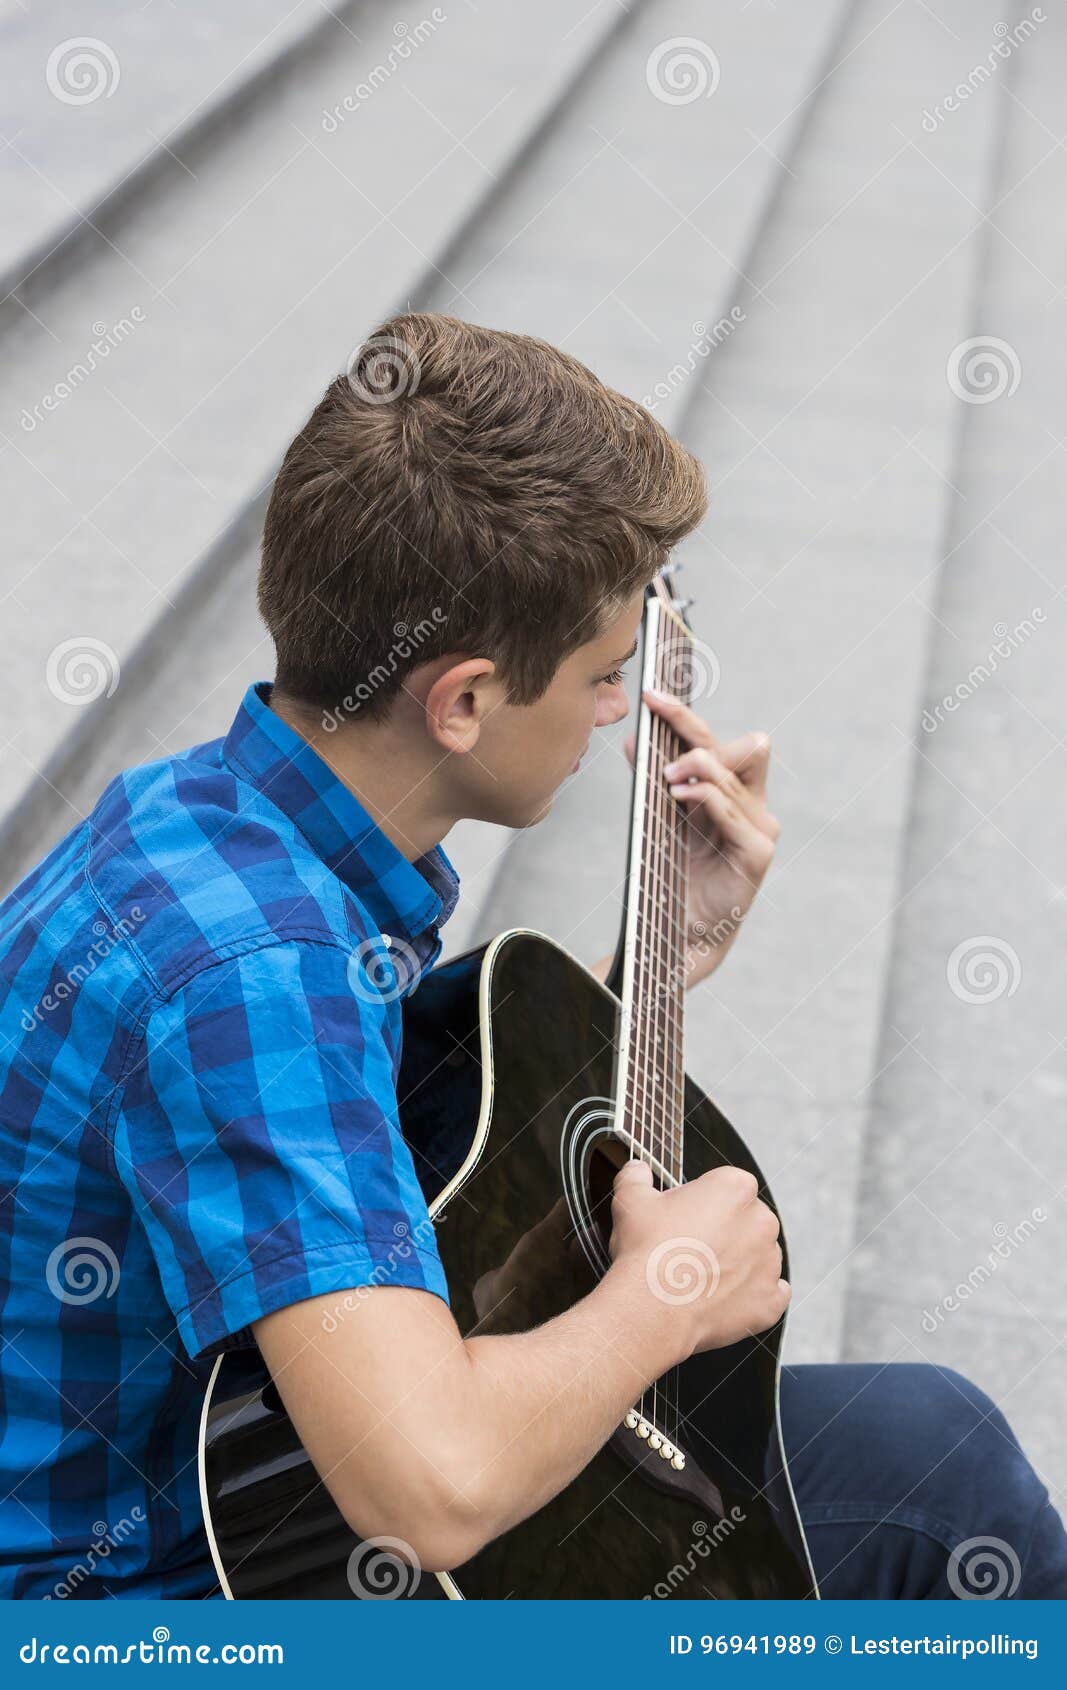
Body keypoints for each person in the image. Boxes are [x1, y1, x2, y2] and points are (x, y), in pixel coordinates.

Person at [0, 314, 1062, 1600]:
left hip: (249, 1482)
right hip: (141, 1598)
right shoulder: (255, 973)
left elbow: (387, 1167)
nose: (619, 712)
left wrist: (657, 963)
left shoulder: (207, 815)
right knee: (940, 1515)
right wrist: (665, 1294)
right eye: (604, 675)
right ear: (460, 701)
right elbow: (430, 1485)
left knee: (927, 1447)